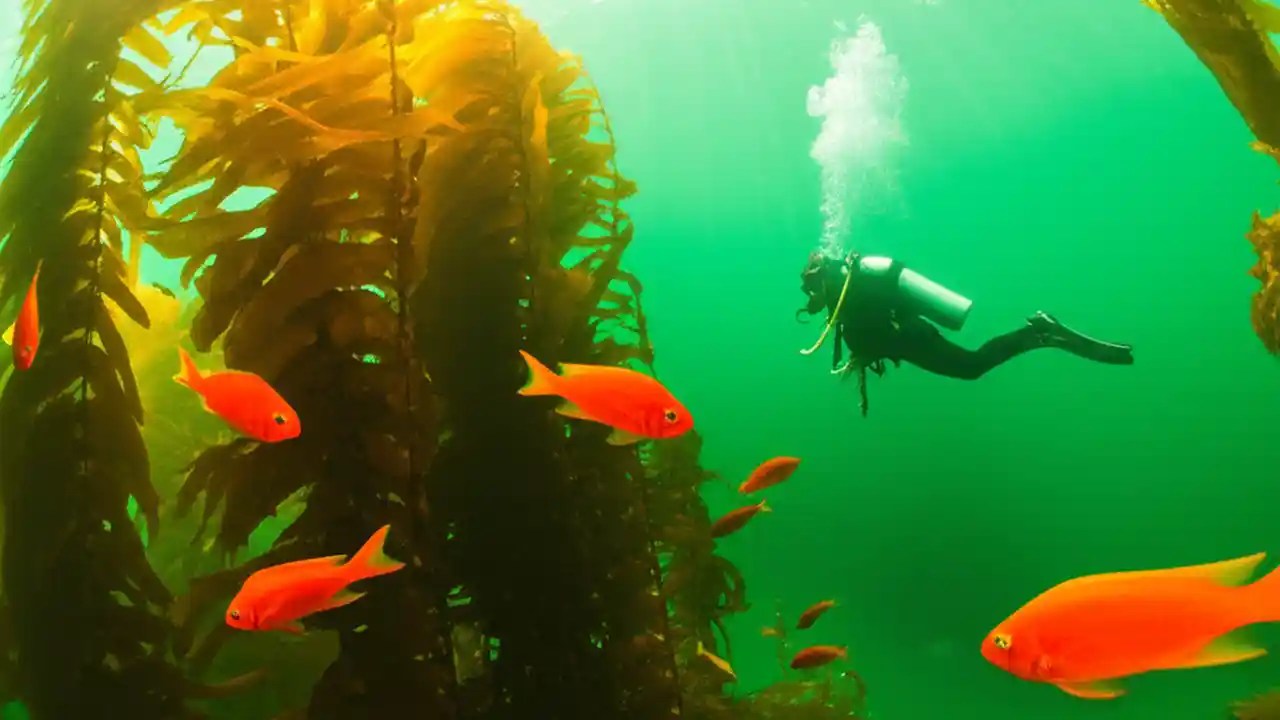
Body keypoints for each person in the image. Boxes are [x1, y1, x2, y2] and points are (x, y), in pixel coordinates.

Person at [796, 251, 1134, 416]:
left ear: (822, 280)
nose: (811, 298)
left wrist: (872, 348)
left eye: (811, 289)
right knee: (972, 367)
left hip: (916, 340)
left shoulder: (853, 294)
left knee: (973, 366)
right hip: (911, 342)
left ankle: (1038, 333)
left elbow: (879, 327)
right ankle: (1038, 335)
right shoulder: (847, 299)